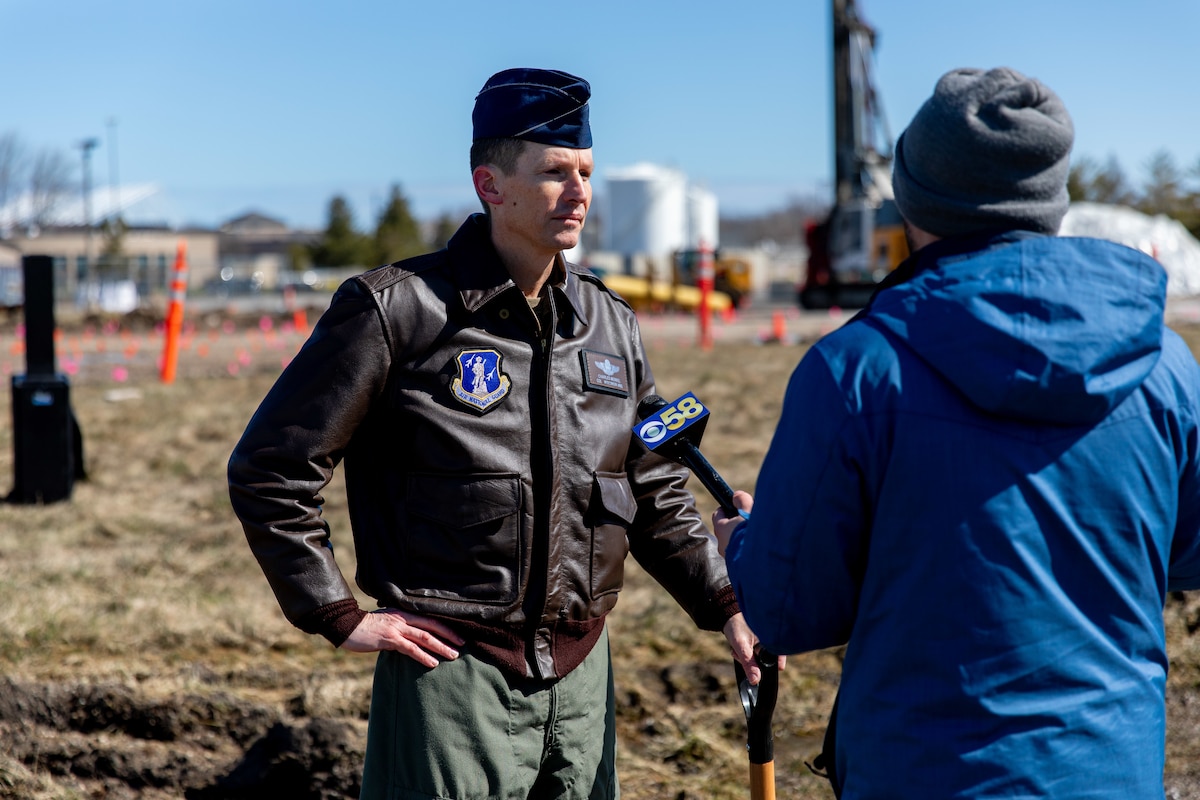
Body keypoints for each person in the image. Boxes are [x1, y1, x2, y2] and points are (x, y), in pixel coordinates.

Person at [228, 67, 762, 800]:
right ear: (490, 184)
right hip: (454, 675)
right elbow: (272, 468)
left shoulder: (610, 323)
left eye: (585, 173)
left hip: (582, 673)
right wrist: (334, 612)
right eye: (552, 173)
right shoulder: (397, 311)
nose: (578, 193)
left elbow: (654, 484)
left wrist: (728, 604)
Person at [713, 66, 1200, 798]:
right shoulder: (1166, 363)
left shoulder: (855, 371)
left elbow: (787, 612)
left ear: (913, 196)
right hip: (1111, 768)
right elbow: (1186, 556)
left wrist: (742, 545)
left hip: (926, 772)